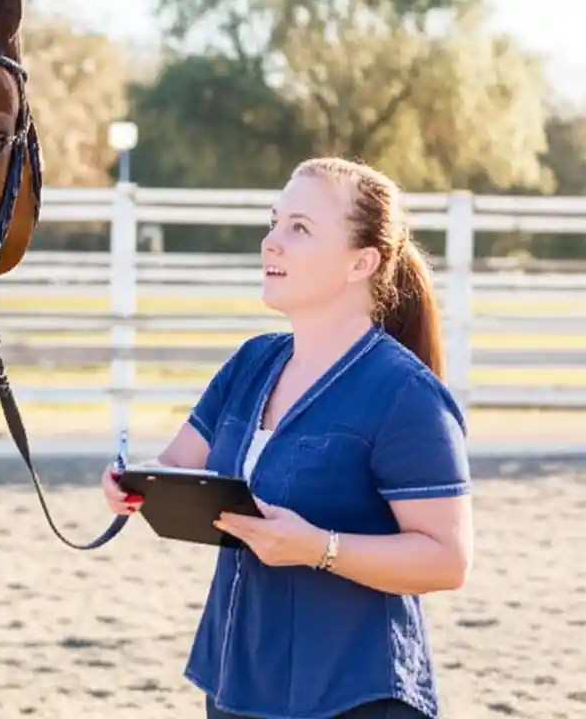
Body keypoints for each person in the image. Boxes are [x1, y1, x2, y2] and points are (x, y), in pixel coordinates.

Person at [101, 157, 474, 719]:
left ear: (362, 262)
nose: (271, 243)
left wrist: (320, 548)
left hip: (355, 692)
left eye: (299, 228)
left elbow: (447, 560)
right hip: (235, 681)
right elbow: (177, 464)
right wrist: (131, 485)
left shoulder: (406, 394)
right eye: (274, 223)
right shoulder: (253, 362)